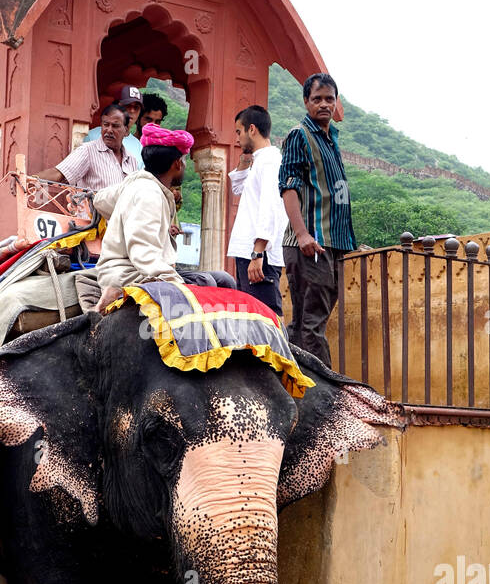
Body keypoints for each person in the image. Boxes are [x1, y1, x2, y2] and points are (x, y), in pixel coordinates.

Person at [91, 124, 235, 313]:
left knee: (223, 279)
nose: (184, 166)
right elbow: (144, 255)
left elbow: (100, 200)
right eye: (183, 162)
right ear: (177, 164)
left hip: (136, 270)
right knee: (208, 282)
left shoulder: (139, 184)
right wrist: (177, 283)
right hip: (128, 275)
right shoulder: (149, 193)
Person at [278, 72, 357, 365]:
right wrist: (301, 234)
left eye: (329, 99)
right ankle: (323, 393)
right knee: (310, 324)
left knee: (304, 324)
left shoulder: (331, 139)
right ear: (306, 101)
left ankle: (296, 384)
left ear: (336, 103)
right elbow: (289, 187)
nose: (324, 104)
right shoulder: (301, 135)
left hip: (331, 243)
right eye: (317, 99)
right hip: (310, 244)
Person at [227, 104, 285, 317]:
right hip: (249, 253)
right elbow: (237, 188)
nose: (236, 138)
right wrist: (245, 159)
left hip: (260, 255)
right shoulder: (259, 161)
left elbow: (270, 205)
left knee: (265, 319)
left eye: (238, 132)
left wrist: (258, 251)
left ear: (252, 129)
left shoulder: (269, 161)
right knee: (250, 321)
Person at [38, 103, 139, 187]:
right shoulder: (87, 151)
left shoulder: (132, 160)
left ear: (126, 131)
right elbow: (58, 174)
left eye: (115, 126)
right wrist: (26, 181)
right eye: (105, 124)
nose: (109, 130)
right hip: (91, 211)